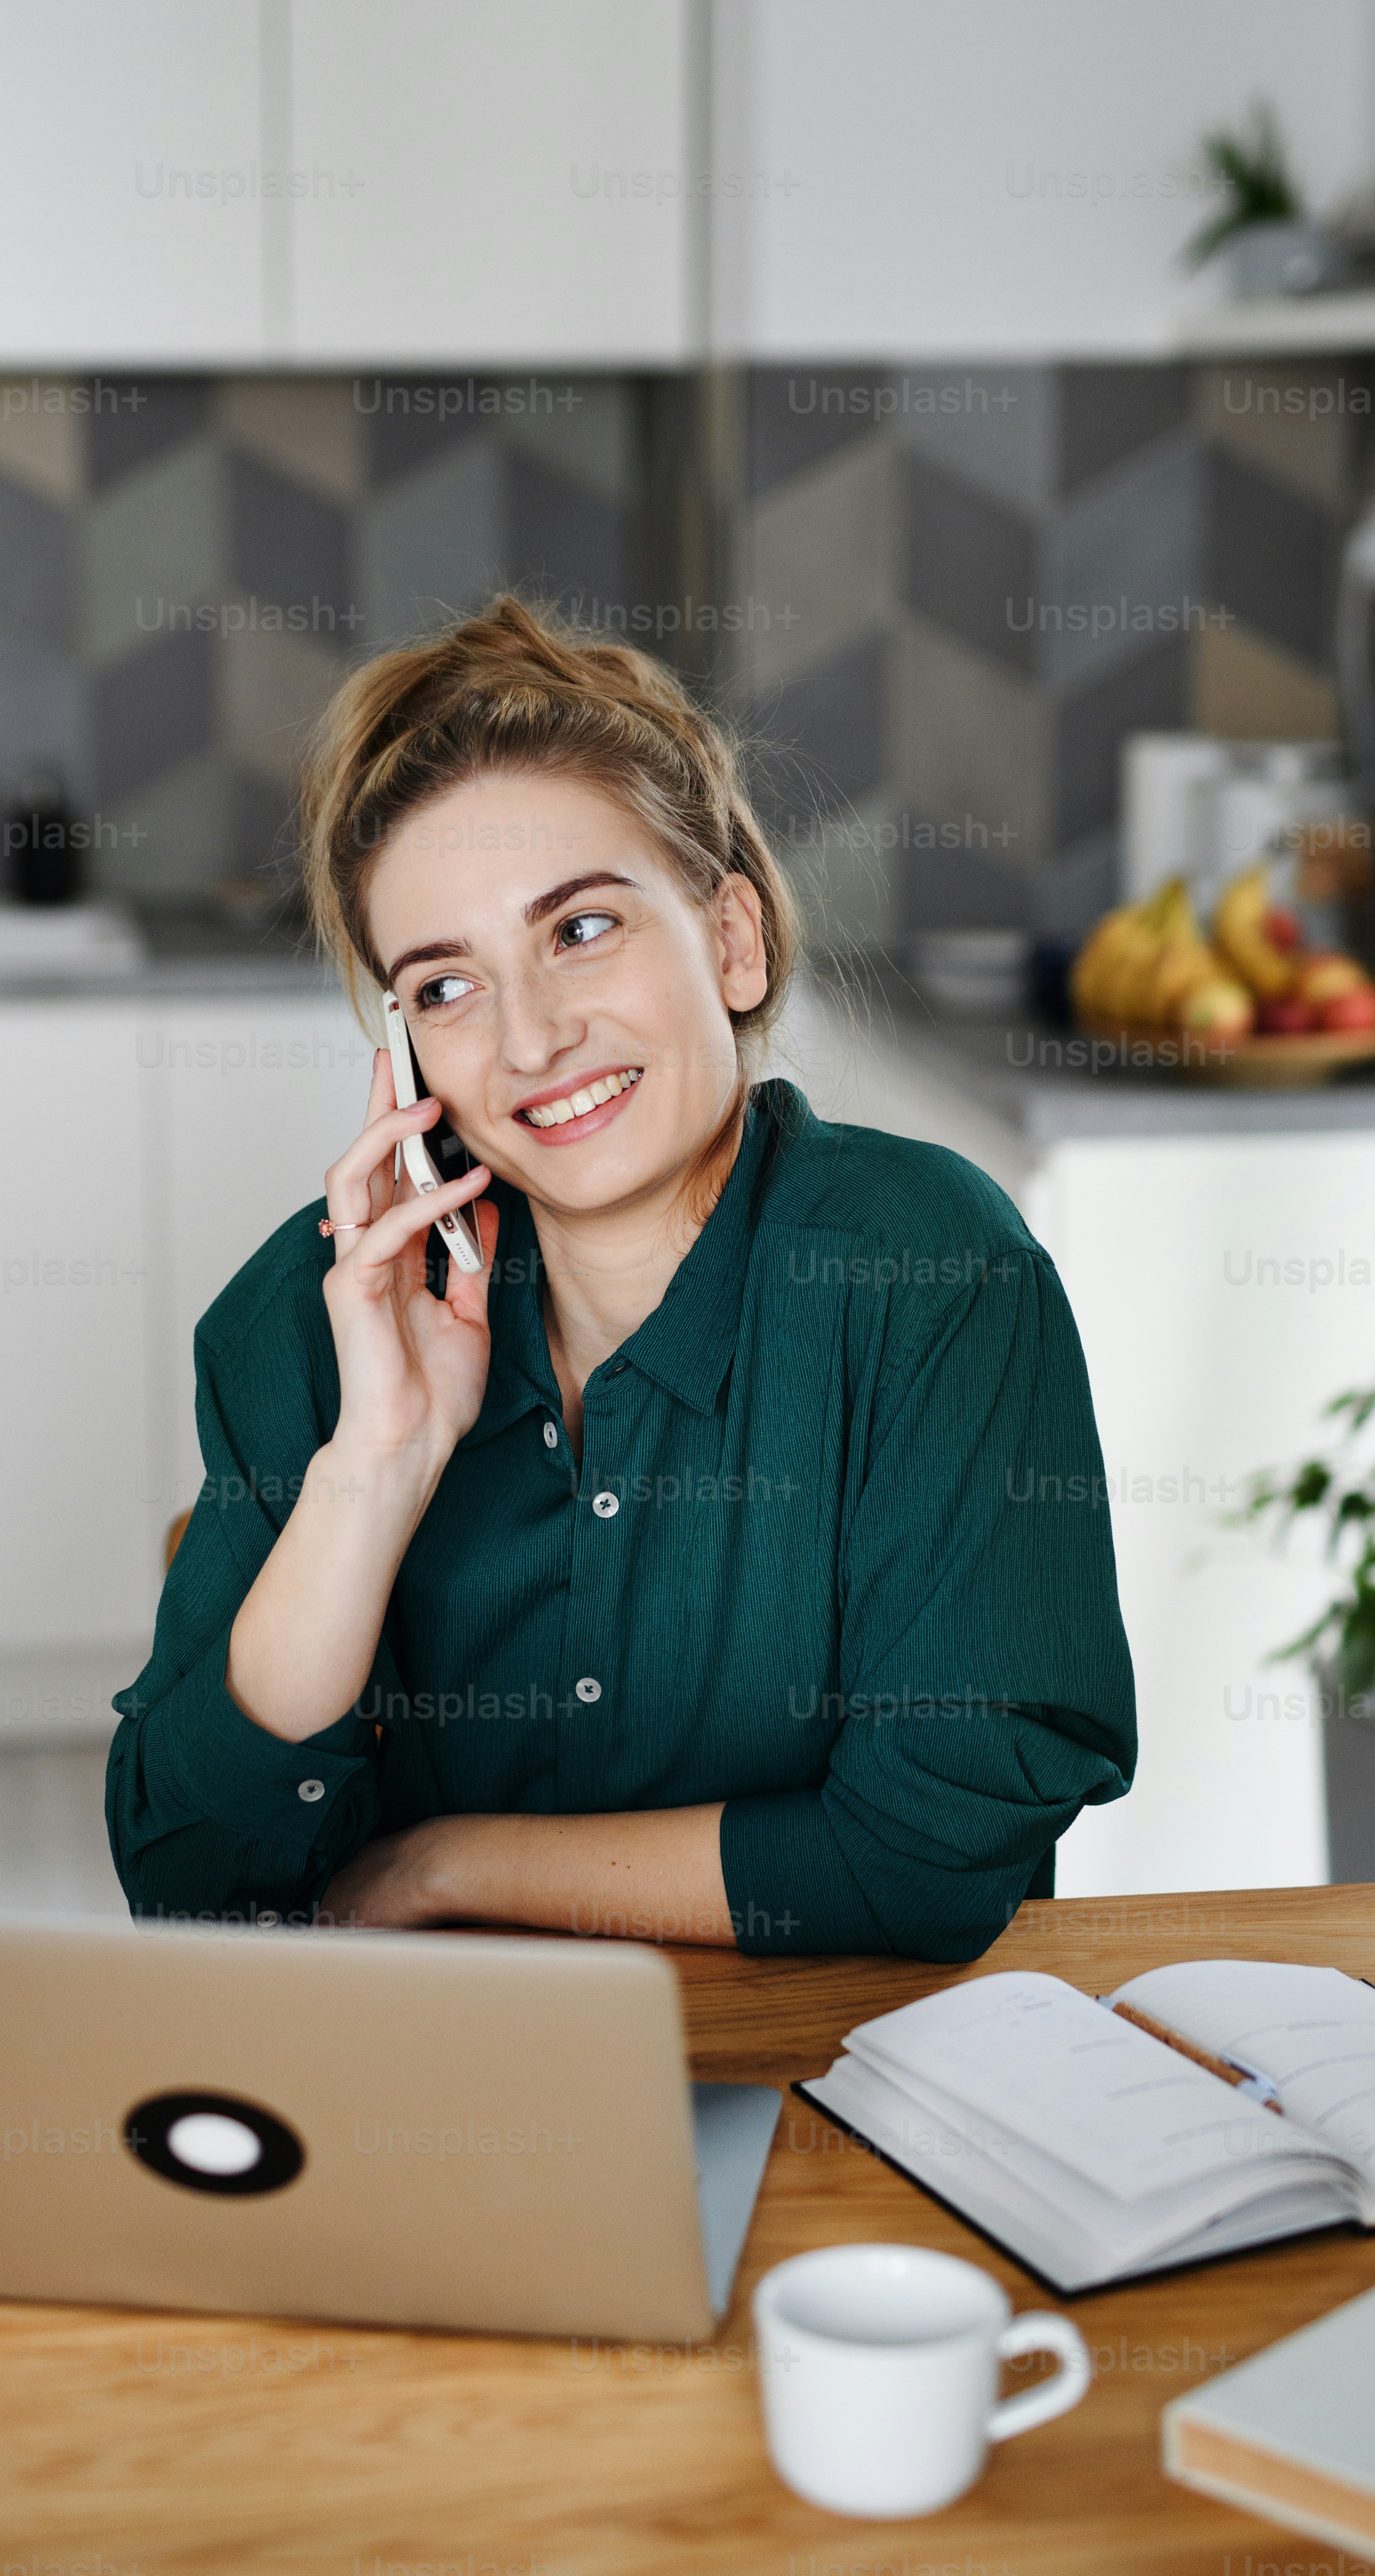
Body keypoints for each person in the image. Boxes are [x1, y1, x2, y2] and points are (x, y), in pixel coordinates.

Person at [107, 598, 1134, 1957]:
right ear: (408, 1052)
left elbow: (932, 1854)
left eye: (580, 931)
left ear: (732, 940)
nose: (530, 1039)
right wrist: (378, 1461)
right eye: (444, 987)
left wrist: (440, 1868)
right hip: (429, 2107)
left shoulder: (928, 1275)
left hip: (835, 2090)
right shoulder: (309, 1323)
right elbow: (191, 1884)